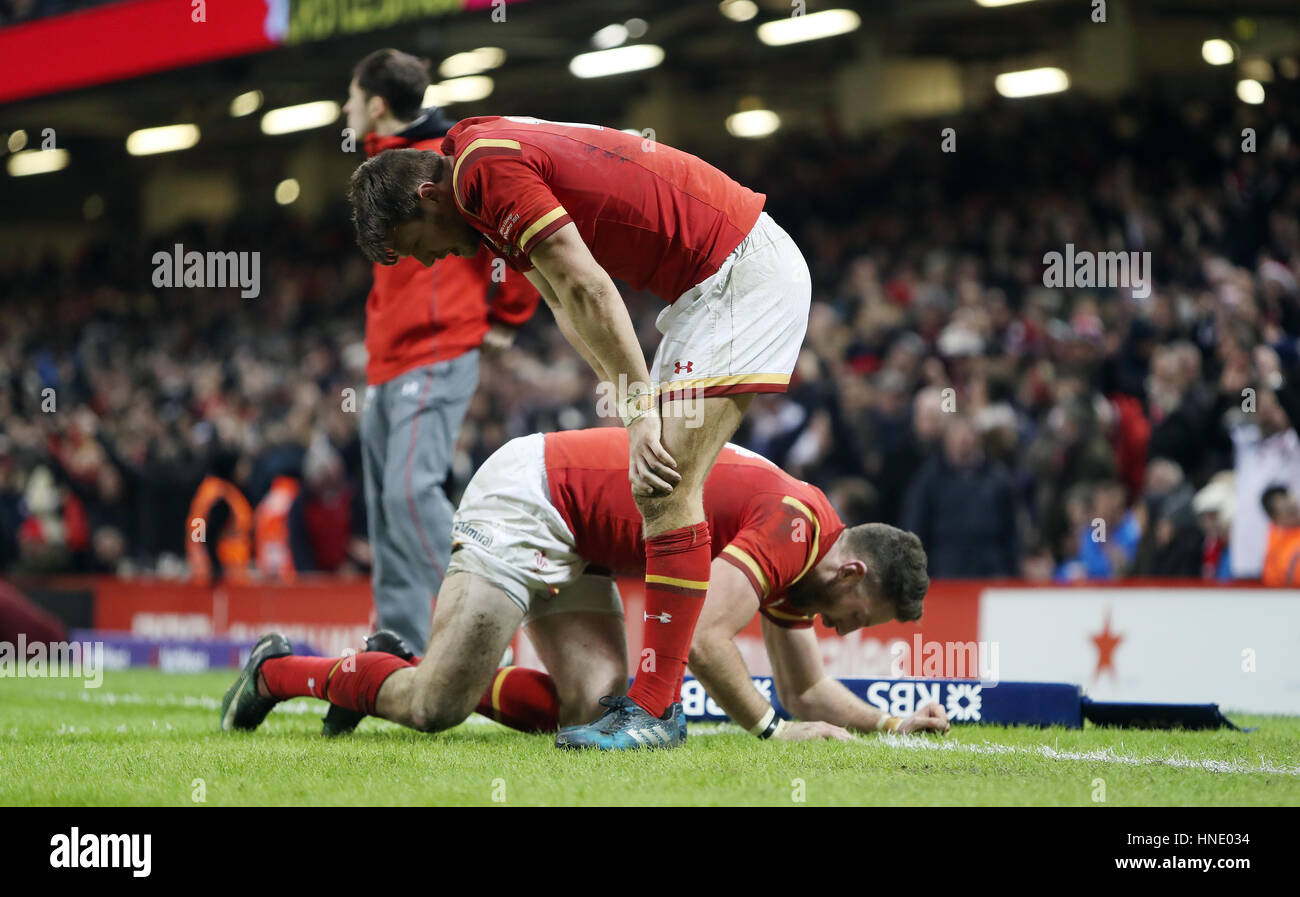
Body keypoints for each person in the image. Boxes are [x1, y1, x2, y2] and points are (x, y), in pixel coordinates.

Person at [346, 115, 813, 748]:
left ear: (429, 197)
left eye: (419, 243)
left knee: (666, 487)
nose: (432, 260)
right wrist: (631, 407)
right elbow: (566, 304)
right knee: (660, 482)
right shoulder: (475, 182)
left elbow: (590, 287)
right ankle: (652, 709)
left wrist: (640, 410)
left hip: (739, 276)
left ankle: (653, 712)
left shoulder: (484, 169)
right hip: (707, 288)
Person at [220, 427, 946, 747]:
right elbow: (698, 636)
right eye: (863, 615)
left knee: (593, 712)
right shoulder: (795, 527)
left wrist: (888, 725)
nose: (850, 628)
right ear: (853, 571)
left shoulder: (808, 556)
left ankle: (390, 667)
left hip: (585, 537)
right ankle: (279, 671)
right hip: (532, 497)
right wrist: (769, 729)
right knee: (435, 708)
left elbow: (808, 692)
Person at [343, 51, 539, 651]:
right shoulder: (381, 163)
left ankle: (485, 636)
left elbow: (517, 225)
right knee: (385, 511)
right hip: (386, 360)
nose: (344, 110)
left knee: (410, 491)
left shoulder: (450, 157)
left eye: (349, 98)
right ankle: (404, 649)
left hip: (437, 348)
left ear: (376, 103)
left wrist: (507, 314)